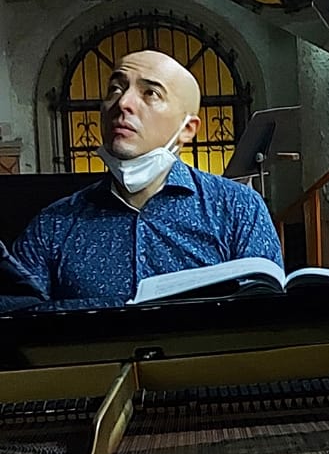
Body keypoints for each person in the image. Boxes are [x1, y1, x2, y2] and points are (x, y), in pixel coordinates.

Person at [12, 49, 282, 306]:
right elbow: (17, 323)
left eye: (150, 93)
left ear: (187, 129)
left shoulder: (237, 208)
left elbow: (267, 322)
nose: (123, 103)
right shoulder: (53, 225)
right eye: (115, 89)